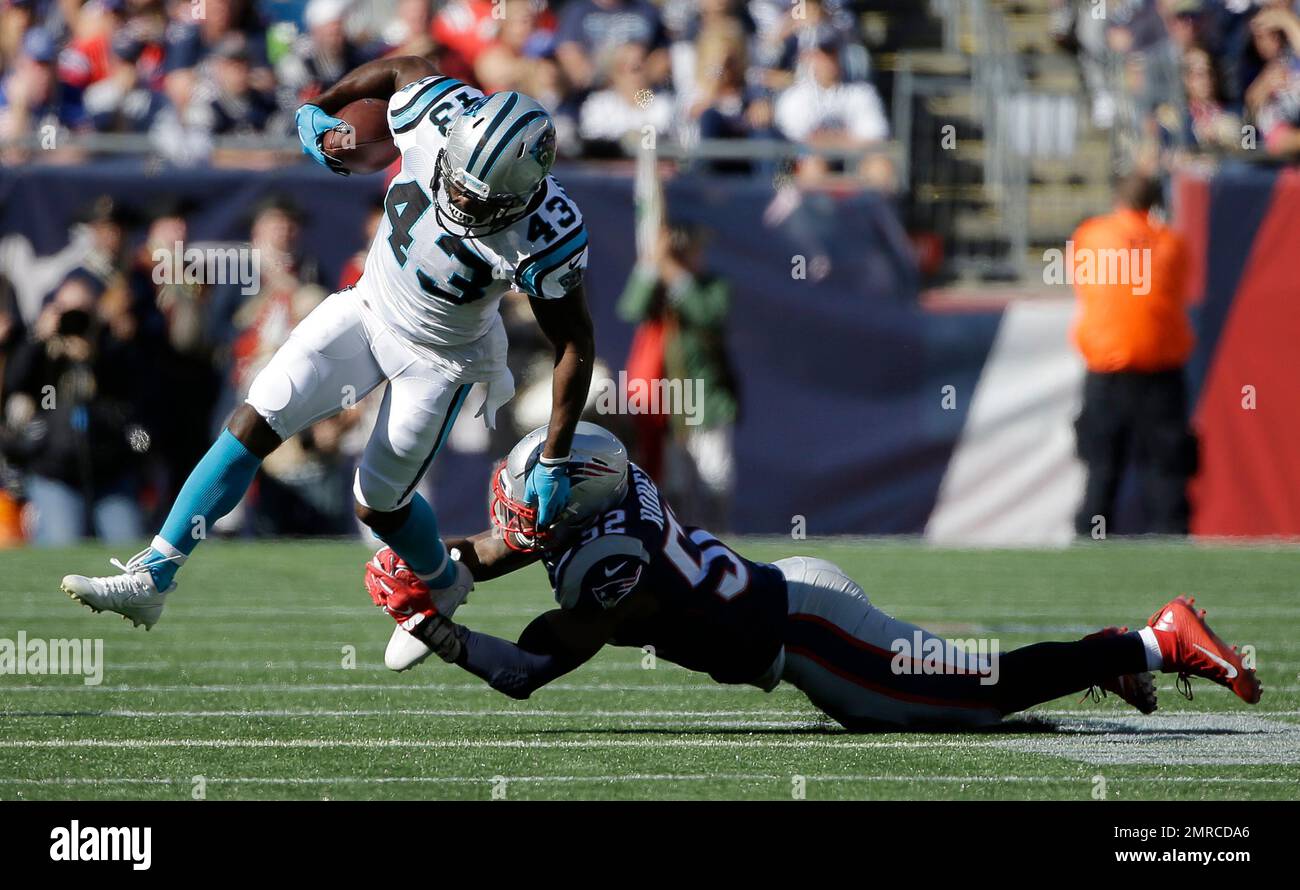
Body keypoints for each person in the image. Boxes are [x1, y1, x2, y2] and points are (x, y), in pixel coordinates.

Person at [61, 55, 596, 633]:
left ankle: (445, 582)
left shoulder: (546, 233)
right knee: (254, 419)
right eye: (458, 182)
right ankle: (154, 575)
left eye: (479, 199)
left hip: (441, 359)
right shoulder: (441, 115)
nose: (460, 201)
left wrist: (556, 454)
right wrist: (321, 105)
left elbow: (574, 345)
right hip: (367, 308)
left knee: (378, 505)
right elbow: (404, 69)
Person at [365, 423, 1261, 730]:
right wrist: (423, 566)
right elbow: (494, 548)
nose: (519, 530)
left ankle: (1150, 638)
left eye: (534, 517)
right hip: (788, 595)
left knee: (975, 697)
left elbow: (528, 671)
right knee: (961, 688)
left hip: (809, 637)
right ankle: (1111, 657)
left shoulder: (608, 560)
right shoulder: (603, 494)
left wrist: (435, 628)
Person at [1069, 174, 1196, 537]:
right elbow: (1178, 289)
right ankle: (1175, 569)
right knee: (1168, 475)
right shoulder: (1172, 243)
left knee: (1101, 473)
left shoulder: (1091, 236)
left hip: (1107, 374)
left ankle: (1087, 561)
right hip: (1160, 375)